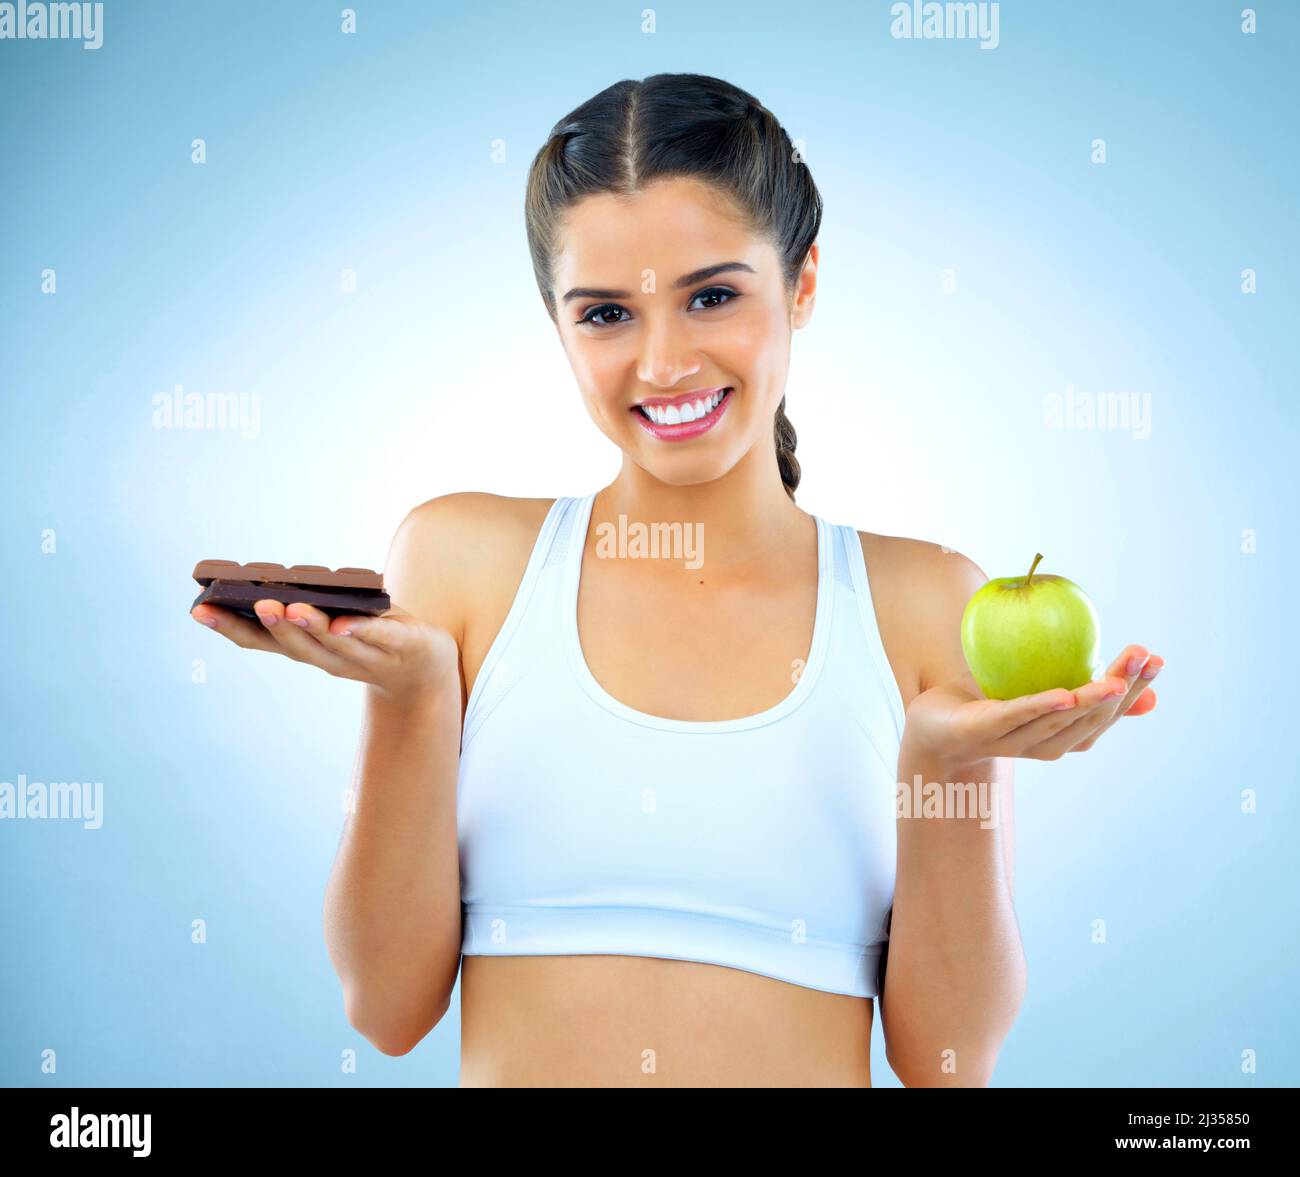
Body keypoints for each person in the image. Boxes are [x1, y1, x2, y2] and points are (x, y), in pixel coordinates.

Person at [191, 72, 1163, 1088]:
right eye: (607, 313)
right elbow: (387, 1011)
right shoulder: (462, 561)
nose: (661, 363)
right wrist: (414, 696)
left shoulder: (923, 601)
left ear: (803, 282)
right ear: (557, 327)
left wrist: (946, 766)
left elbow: (946, 1062)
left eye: (711, 296)